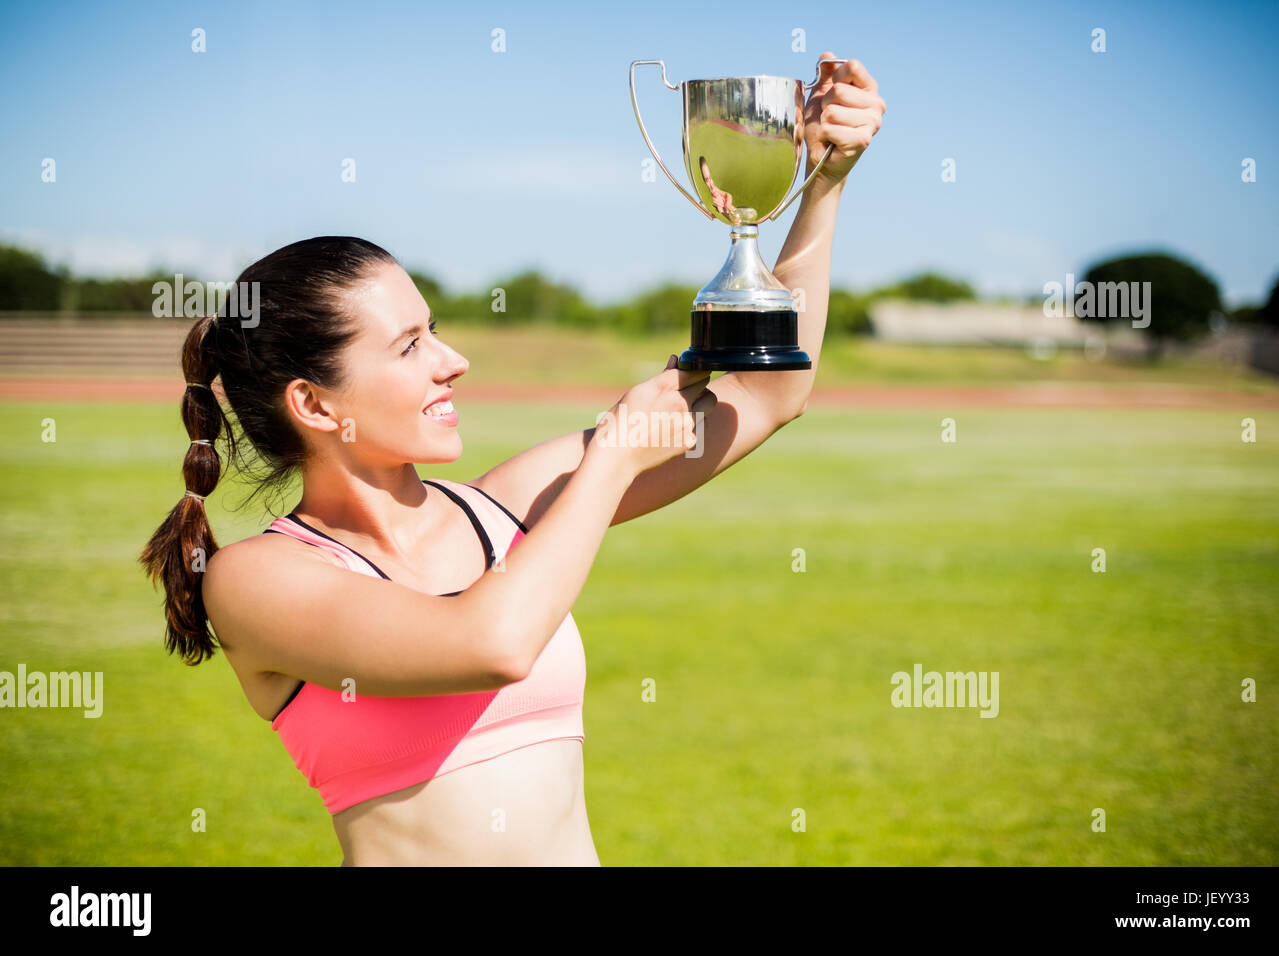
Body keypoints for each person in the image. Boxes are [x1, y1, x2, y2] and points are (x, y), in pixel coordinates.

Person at [137, 53, 883, 866]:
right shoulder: (255, 581)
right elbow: (494, 642)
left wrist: (825, 182)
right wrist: (614, 459)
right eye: (410, 346)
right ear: (316, 404)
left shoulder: (506, 506)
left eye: (437, 330)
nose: (452, 361)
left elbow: (773, 394)